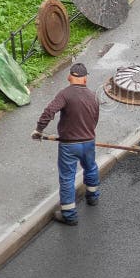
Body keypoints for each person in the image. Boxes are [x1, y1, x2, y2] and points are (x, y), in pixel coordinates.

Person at [31, 62, 100, 225]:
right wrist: (88, 133)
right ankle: (93, 197)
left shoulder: (65, 94)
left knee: (67, 178)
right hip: (88, 142)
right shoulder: (93, 96)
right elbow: (95, 119)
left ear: (69, 77)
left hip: (69, 145)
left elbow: (49, 111)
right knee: (91, 168)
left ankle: (69, 215)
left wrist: (39, 130)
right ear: (85, 79)